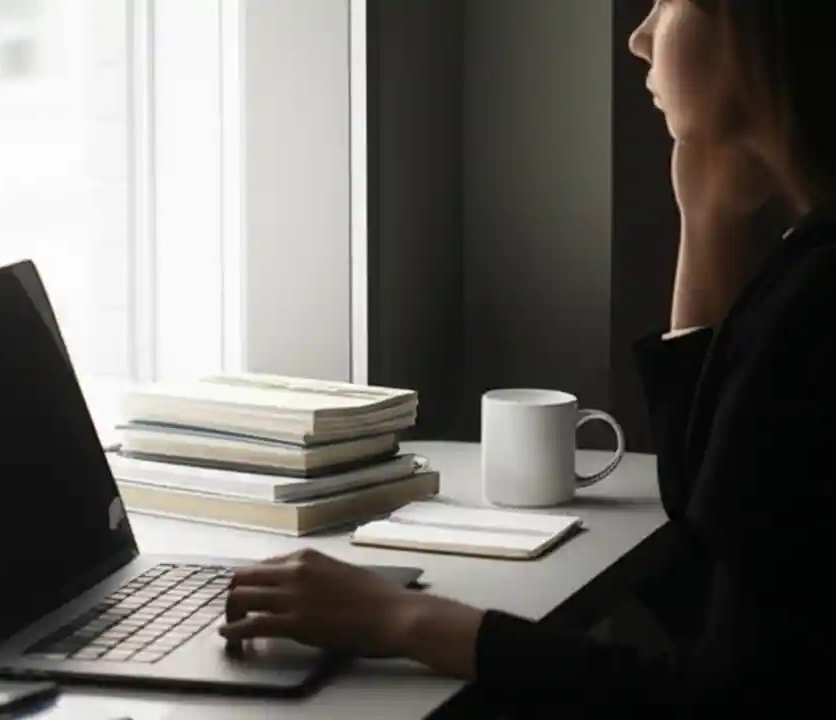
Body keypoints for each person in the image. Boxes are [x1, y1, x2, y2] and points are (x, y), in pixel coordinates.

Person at [219, 0, 836, 715]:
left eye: (670, 1)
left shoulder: (814, 310)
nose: (640, 38)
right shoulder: (806, 271)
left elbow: (719, 697)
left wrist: (402, 620)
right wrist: (708, 220)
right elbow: (714, 571)